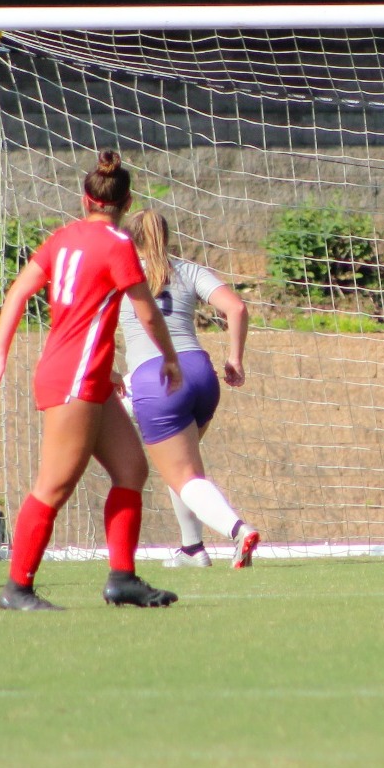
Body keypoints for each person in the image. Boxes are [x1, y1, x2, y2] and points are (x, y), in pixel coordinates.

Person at [0, 151, 184, 611]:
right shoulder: (118, 244)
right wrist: (170, 359)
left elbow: (18, 292)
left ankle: (123, 579)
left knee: (131, 469)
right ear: (127, 202)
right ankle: (17, 588)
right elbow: (146, 311)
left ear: (83, 200)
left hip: (80, 372)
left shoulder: (63, 238)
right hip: (73, 377)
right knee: (54, 485)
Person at [118, 208, 260, 570]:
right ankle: (192, 548)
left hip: (157, 378)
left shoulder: (120, 273)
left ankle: (238, 529)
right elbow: (237, 308)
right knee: (181, 467)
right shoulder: (189, 269)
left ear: (128, 239)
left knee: (181, 473)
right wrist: (235, 359)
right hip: (200, 373)